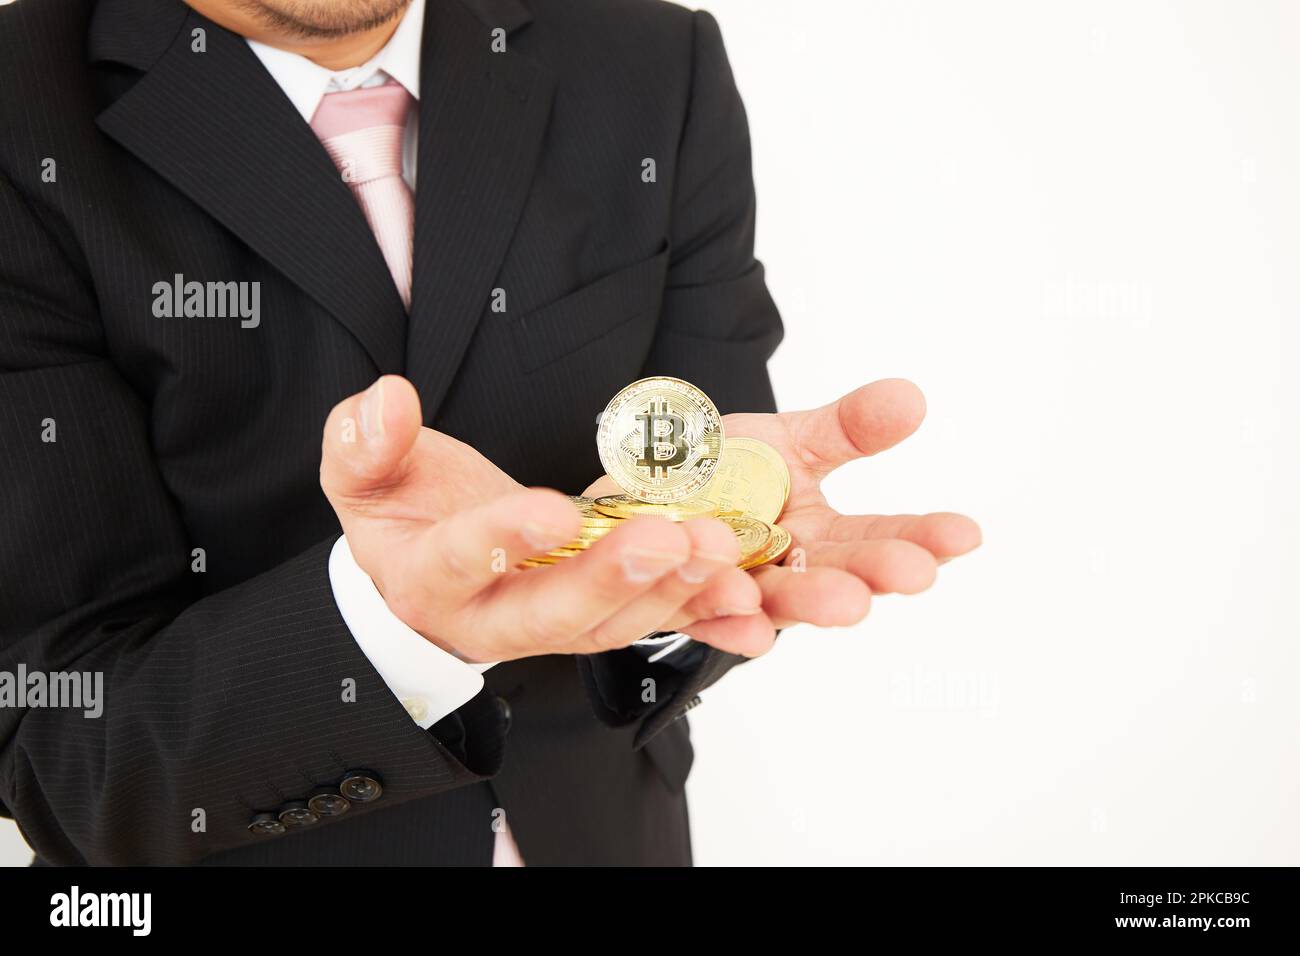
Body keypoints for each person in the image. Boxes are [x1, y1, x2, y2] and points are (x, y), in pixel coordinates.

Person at [0, 0, 980, 865]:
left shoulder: (653, 61)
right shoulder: (18, 112)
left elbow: (709, 473)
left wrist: (671, 582)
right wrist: (395, 628)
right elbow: (51, 737)